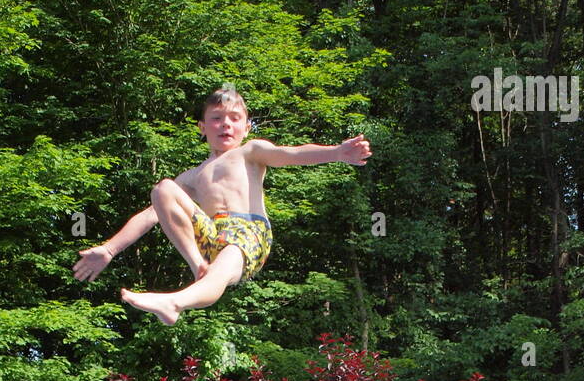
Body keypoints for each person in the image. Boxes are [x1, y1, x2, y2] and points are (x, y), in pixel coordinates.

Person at [72, 87, 371, 324]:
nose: (225, 124)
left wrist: (336, 152)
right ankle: (197, 266)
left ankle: (175, 302)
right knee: (163, 188)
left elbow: (289, 154)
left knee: (228, 255)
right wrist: (109, 249)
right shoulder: (192, 177)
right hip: (211, 236)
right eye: (216, 118)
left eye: (234, 118)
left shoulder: (250, 153)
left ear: (247, 126)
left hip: (249, 230)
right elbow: (153, 215)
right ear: (202, 127)